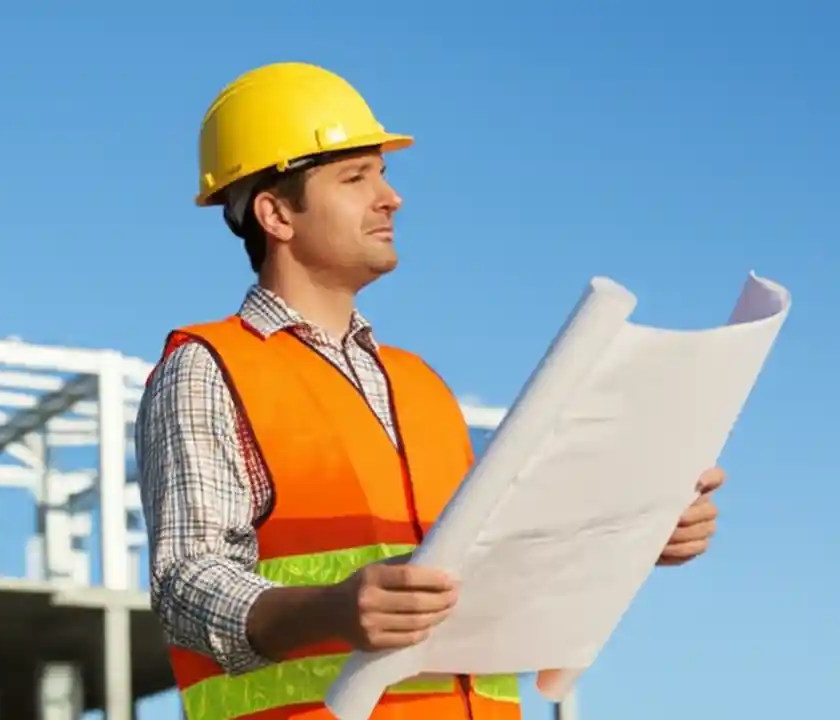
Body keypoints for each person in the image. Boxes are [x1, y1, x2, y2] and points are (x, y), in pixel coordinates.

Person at [135, 61, 723, 720]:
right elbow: (187, 585)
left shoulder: (422, 387)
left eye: (383, 174)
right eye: (356, 177)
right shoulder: (209, 369)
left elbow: (497, 570)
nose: (391, 198)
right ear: (275, 214)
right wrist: (331, 610)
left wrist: (634, 532)